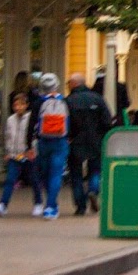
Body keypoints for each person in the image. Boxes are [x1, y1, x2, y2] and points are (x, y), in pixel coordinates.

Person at [64, 72, 113, 216]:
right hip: (96, 140)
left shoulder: (69, 101)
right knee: (96, 170)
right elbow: (107, 121)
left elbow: (66, 124)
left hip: (76, 141)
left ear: (73, 84)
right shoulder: (97, 99)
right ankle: (93, 189)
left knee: (76, 174)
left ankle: (80, 206)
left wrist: (69, 136)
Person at [0, 92, 42, 217]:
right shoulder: (10, 120)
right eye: (15, 105)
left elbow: (35, 137)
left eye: (21, 105)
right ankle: (3, 204)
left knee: (34, 180)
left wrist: (33, 151)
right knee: (10, 180)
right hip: (14, 155)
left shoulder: (31, 119)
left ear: (26, 105)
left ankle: (38, 203)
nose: (18, 108)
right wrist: (8, 152)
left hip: (28, 154)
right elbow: (8, 137)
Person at [33, 73, 70, 219]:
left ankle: (50, 202)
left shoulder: (38, 103)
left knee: (45, 174)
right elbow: (71, 121)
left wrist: (28, 144)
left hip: (43, 142)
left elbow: (31, 124)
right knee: (56, 174)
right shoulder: (65, 101)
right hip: (60, 141)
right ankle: (51, 206)